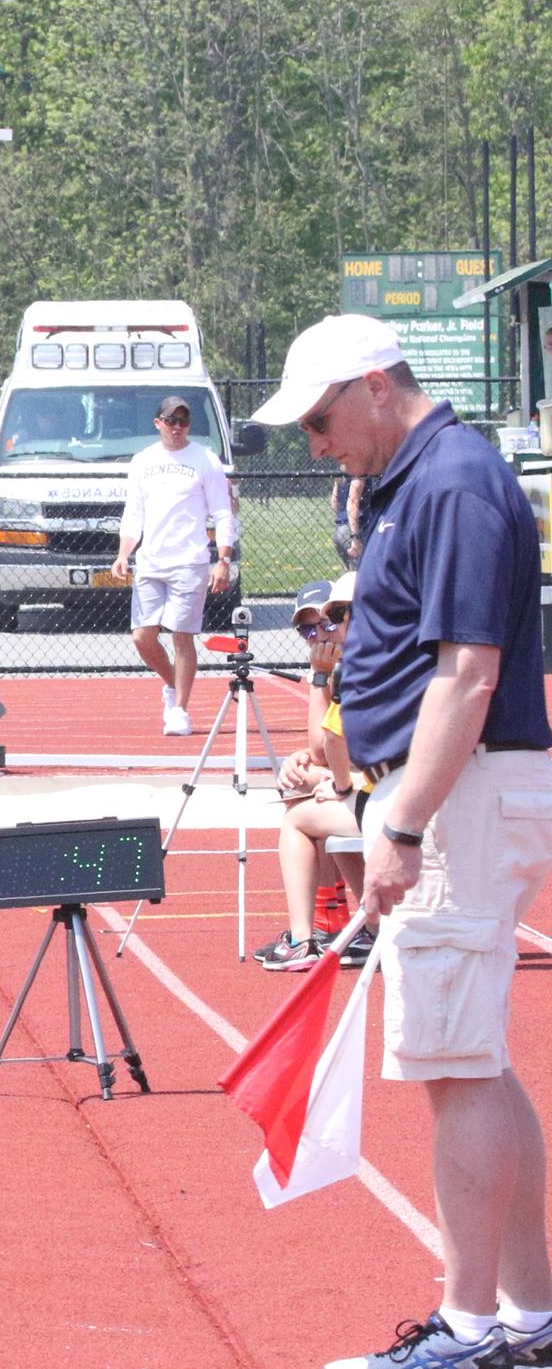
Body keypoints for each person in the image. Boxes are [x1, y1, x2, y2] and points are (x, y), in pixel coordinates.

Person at [254, 313, 552, 1369]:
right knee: (472, 1060)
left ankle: (470, 1330)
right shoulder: (416, 479)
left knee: (450, 1064)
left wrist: (403, 821)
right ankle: (526, 1319)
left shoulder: (450, 481)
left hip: (457, 795)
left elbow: (464, 673)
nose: (314, 442)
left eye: (321, 417)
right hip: (451, 791)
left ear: (375, 384)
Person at [255, 575, 366, 972]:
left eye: (330, 619)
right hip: (379, 780)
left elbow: (328, 745)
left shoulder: (355, 663)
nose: (319, 632)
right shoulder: (352, 661)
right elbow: (324, 743)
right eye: (307, 628)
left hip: (390, 788)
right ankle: (340, 919)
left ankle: (308, 936)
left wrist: (320, 676)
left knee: (303, 810)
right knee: (304, 782)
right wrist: (309, 758)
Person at [109, 393, 237, 736]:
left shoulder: (205, 460)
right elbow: (133, 512)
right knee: (142, 637)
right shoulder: (143, 461)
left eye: (183, 421)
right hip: (151, 561)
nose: (177, 428)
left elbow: (223, 513)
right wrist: (124, 553)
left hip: (191, 561)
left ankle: (180, 709)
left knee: (182, 636)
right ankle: (171, 684)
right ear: (158, 424)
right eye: (171, 421)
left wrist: (222, 560)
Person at [332, 473, 368, 570]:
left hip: (340, 529)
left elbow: (334, 503)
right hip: (355, 529)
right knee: (359, 575)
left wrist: (342, 515)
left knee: (355, 572)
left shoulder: (342, 473)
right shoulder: (361, 471)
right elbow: (353, 502)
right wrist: (355, 538)